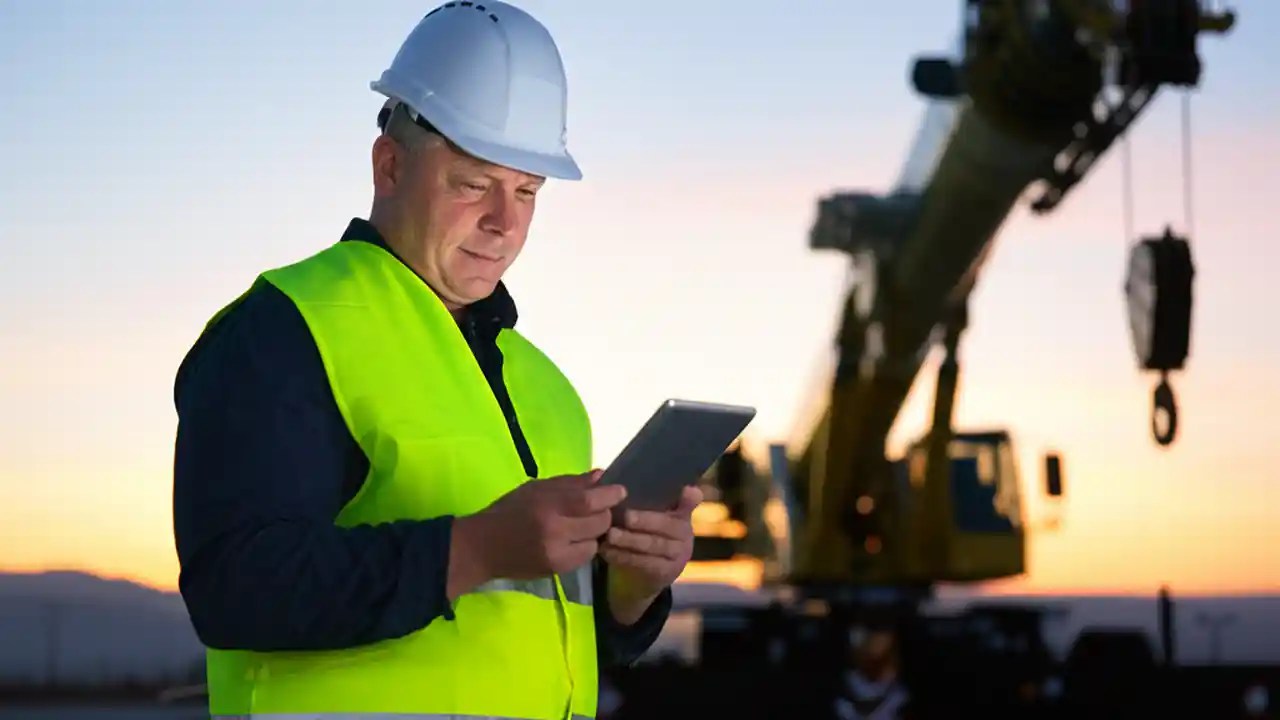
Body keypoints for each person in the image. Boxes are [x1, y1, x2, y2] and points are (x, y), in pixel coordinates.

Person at [171, 3, 699, 718]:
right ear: (389, 165)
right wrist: (474, 548)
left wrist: (633, 589)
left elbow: (542, 637)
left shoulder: (545, 386)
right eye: (475, 183)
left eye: (527, 192)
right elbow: (236, 590)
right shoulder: (282, 331)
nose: (504, 224)